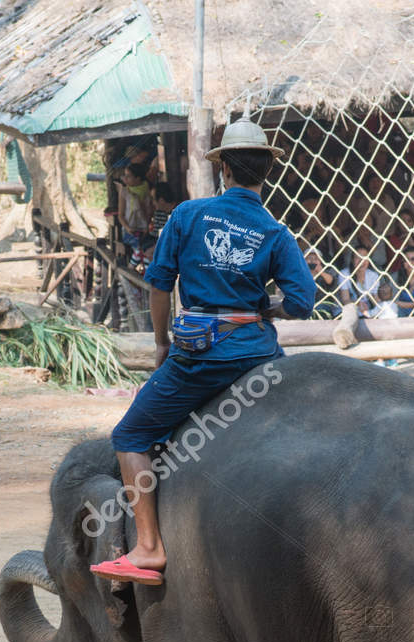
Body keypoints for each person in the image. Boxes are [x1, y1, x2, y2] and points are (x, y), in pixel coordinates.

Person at [90, 119, 315, 585]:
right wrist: (266, 309)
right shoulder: (275, 232)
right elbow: (302, 302)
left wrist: (160, 344)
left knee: (130, 436)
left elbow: (158, 285)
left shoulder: (188, 216)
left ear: (225, 170)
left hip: (200, 356)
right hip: (256, 354)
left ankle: (149, 547)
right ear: (265, 173)